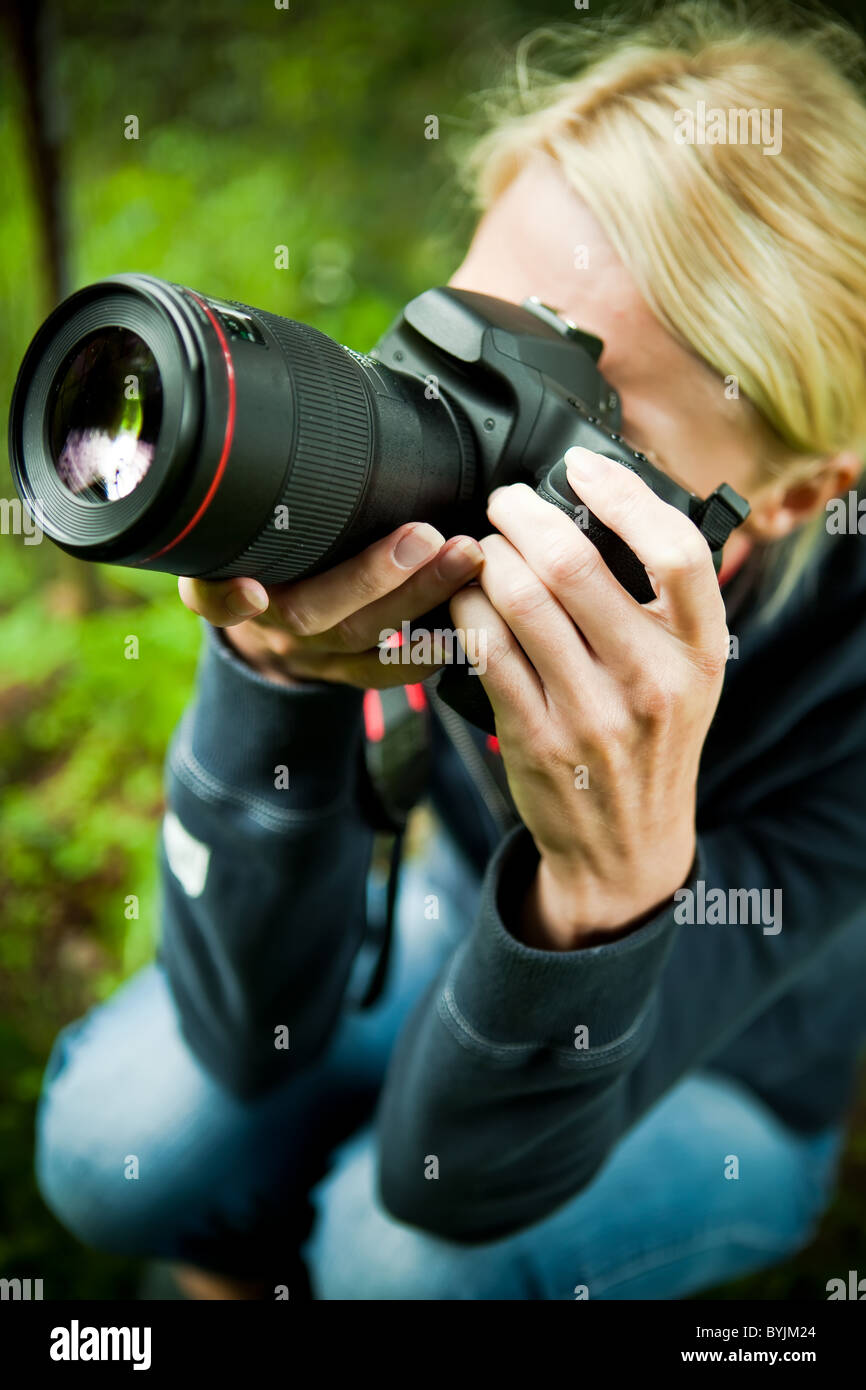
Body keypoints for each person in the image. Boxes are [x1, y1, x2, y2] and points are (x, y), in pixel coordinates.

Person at [35, 2, 866, 1299]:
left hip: (731, 1064)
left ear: (794, 494)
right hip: (458, 903)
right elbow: (243, 1033)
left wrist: (605, 890)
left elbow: (455, 1186)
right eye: (480, 332)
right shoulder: (436, 529)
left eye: (580, 410)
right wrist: (281, 683)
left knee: (394, 1259)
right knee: (113, 1147)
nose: (475, 421)